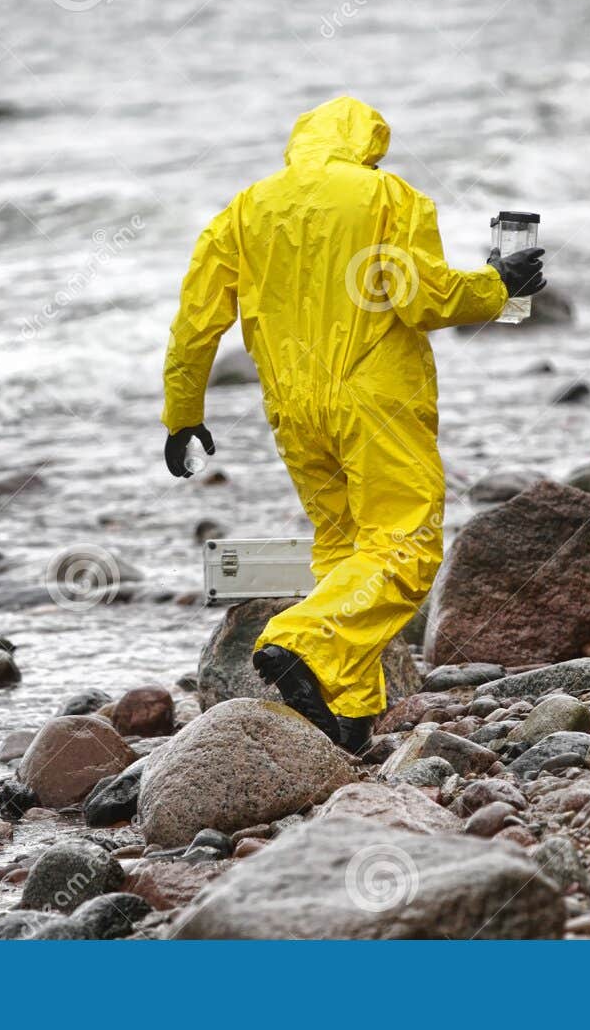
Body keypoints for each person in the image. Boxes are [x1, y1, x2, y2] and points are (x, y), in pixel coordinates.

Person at [161, 95, 546, 752]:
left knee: (343, 547)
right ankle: (300, 639)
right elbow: (422, 298)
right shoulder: (386, 194)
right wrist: (497, 282)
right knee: (405, 543)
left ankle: (349, 712)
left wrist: (183, 415)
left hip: (293, 406)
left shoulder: (242, 212)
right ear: (366, 143)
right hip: (374, 396)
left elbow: (196, 324)